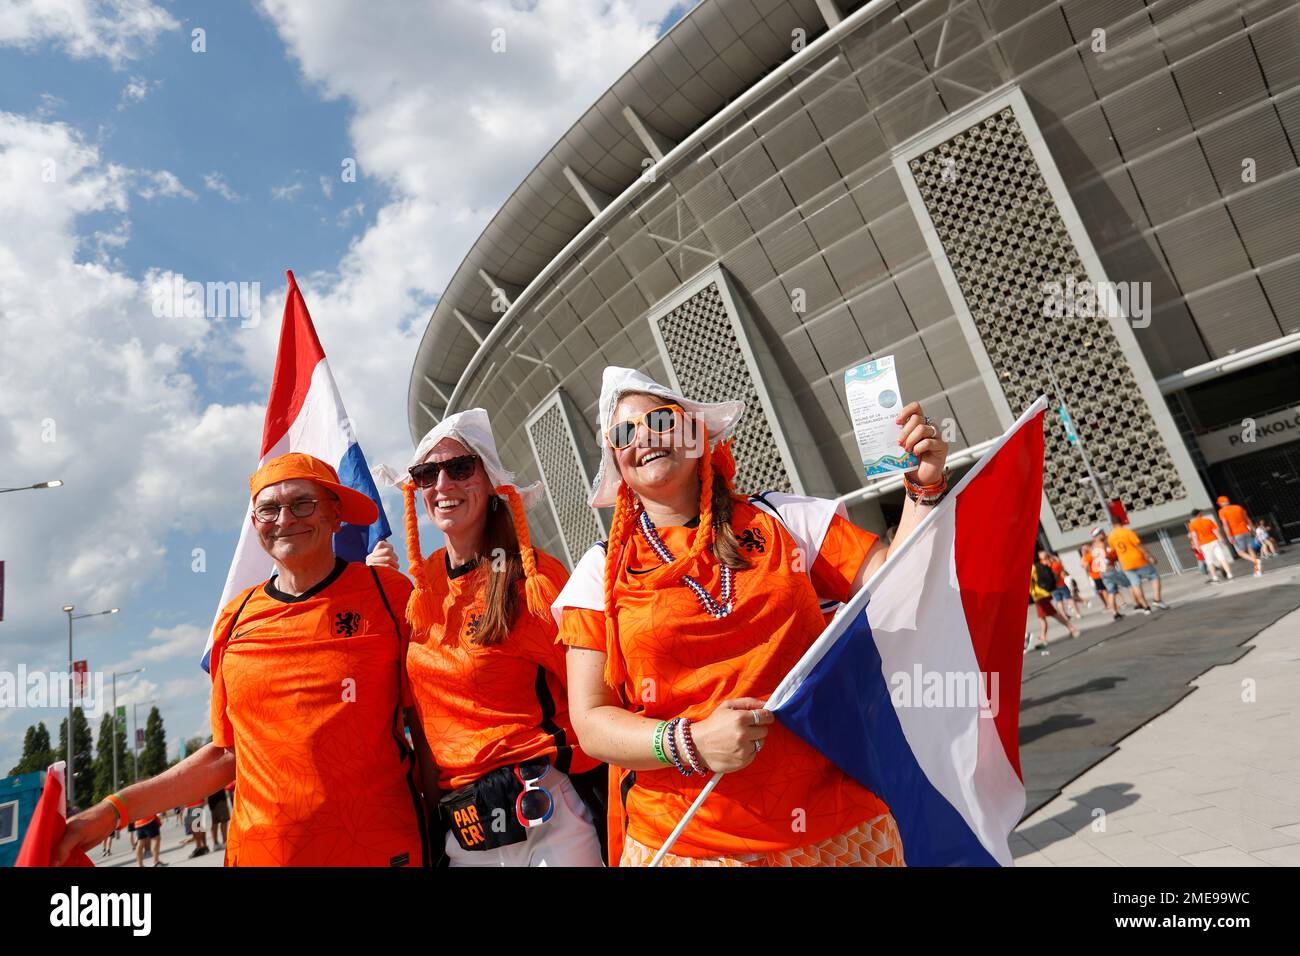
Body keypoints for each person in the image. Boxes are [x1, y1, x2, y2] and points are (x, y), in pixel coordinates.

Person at [554, 366, 951, 867]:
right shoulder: (598, 574)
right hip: (690, 841)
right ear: (616, 461)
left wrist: (923, 489)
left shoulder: (786, 520)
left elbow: (901, 590)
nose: (644, 438)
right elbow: (590, 723)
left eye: (659, 420)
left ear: (697, 433)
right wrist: (690, 741)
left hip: (839, 825)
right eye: (624, 433)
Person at [55, 453, 427, 867]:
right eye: (268, 509)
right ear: (255, 524)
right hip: (261, 855)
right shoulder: (233, 620)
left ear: (336, 514)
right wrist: (112, 811)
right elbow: (226, 754)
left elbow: (430, 726)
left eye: (302, 503)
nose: (285, 519)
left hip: (382, 851)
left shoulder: (389, 595)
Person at [369, 408, 606, 867]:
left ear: (491, 481)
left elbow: (598, 692)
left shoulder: (533, 579)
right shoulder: (417, 589)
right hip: (466, 822)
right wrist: (373, 591)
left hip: (547, 808)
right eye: (426, 474)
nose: (442, 485)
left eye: (459, 468)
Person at [1107, 520, 1169, 610]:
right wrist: (1148, 555)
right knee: (1154, 576)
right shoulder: (1127, 532)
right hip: (1138, 560)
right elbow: (1138, 544)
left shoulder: (1110, 537)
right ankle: (1157, 600)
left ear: (1112, 525)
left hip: (1125, 564)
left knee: (1135, 584)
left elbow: (1113, 551)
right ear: (1121, 522)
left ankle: (1145, 606)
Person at [1030, 551, 1081, 649]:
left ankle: (1073, 629)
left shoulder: (1031, 569)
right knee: (1042, 617)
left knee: (1053, 614)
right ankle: (1043, 637)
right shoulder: (1036, 566)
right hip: (1041, 595)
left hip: (1039, 596)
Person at [1090, 528, 1133, 618]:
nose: (1104, 534)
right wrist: (1113, 556)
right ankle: (1137, 603)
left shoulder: (1093, 546)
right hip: (1109, 569)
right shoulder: (1101, 544)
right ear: (1099, 534)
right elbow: (1105, 556)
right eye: (1102, 532)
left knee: (1111, 591)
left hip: (1102, 572)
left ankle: (1115, 613)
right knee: (1130, 584)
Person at [1217, 496, 1263, 577]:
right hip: (1246, 530)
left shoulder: (1222, 511)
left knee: (1240, 553)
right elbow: (1247, 519)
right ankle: (1258, 571)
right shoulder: (1238, 507)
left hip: (1236, 534)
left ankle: (1255, 561)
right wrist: (1252, 529)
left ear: (1221, 503)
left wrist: (1229, 536)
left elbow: (1225, 525)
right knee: (1250, 550)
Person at [1188, 509, 1233, 583]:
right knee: (1221, 558)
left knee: (1209, 561)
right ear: (1200, 513)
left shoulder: (1192, 524)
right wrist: (1221, 539)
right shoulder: (1208, 520)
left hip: (1204, 544)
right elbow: (1215, 531)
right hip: (1214, 541)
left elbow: (1194, 536)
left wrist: (1197, 546)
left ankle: (1215, 577)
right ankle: (1229, 574)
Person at [1047, 551, 1081, 620]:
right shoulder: (1056, 564)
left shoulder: (1046, 566)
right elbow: (1061, 568)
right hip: (1061, 584)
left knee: (1059, 601)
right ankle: (1077, 613)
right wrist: (1055, 558)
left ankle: (1064, 617)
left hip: (1053, 587)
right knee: (1069, 598)